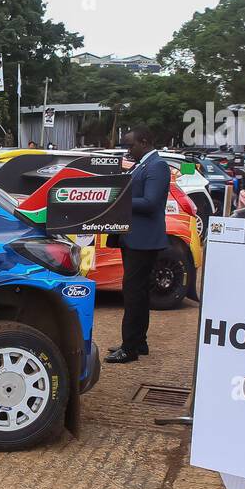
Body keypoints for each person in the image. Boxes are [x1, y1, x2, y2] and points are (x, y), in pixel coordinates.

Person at [106, 126, 169, 364]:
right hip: (133, 238)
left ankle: (129, 348)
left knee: (133, 294)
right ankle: (138, 342)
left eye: (130, 145)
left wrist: (119, 200)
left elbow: (151, 202)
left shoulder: (157, 166)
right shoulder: (142, 164)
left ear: (144, 141)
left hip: (143, 241)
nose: (128, 150)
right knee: (138, 294)